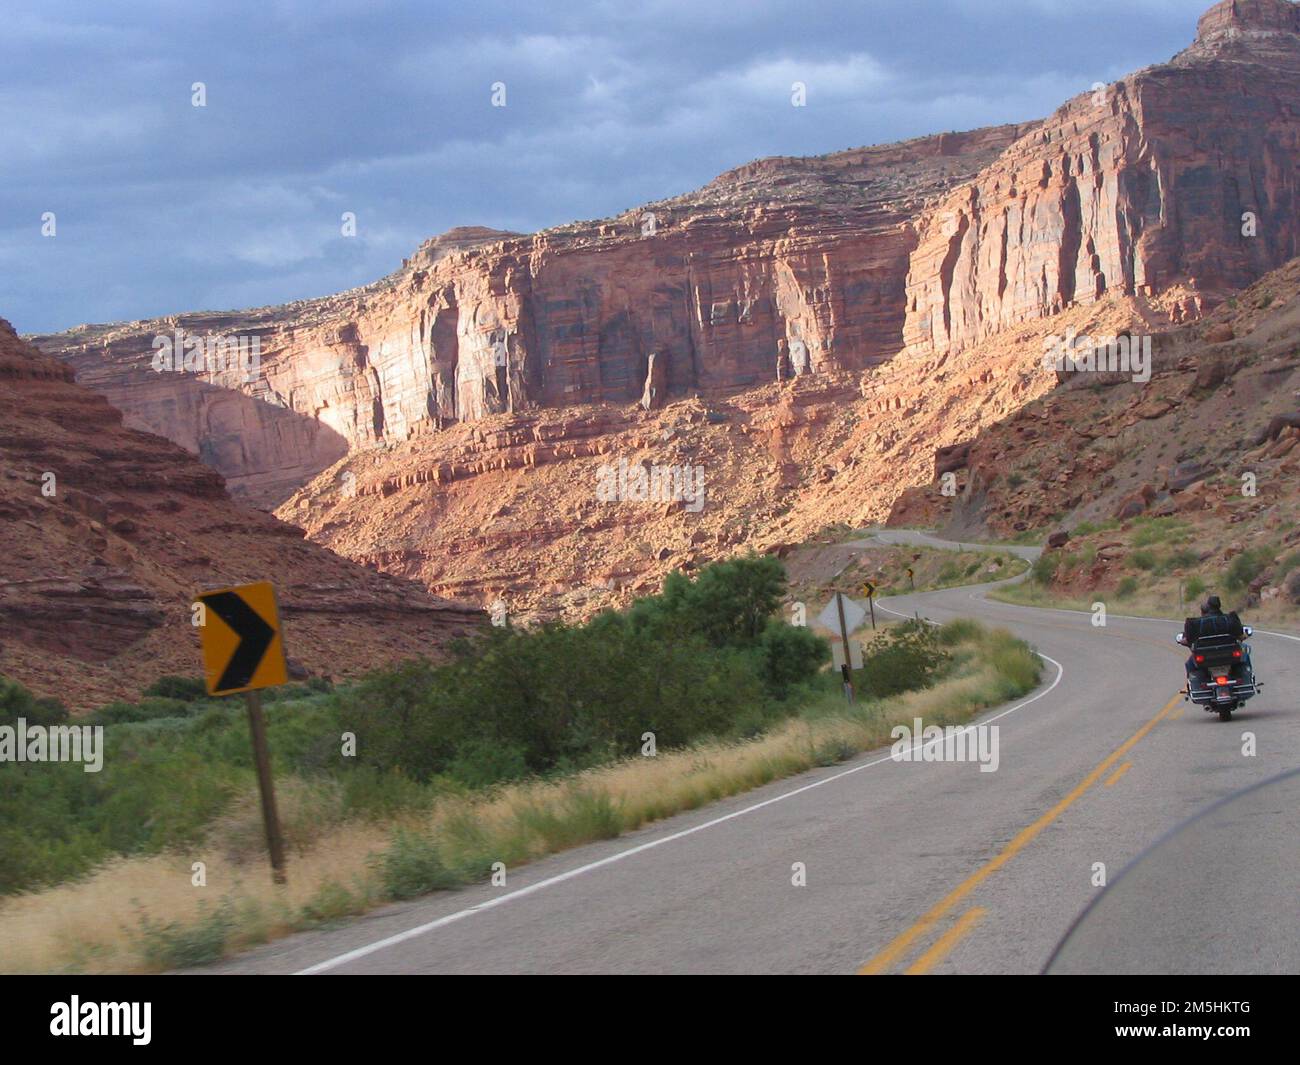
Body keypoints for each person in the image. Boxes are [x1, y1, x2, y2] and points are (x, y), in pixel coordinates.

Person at [1183, 596, 1248, 691]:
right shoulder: (1230, 619)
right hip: (1230, 655)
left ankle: (1192, 688)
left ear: (1208, 606)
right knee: (1246, 654)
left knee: (1190, 664)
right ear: (1219, 605)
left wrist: (1185, 641)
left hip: (1205, 658)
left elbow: (1189, 639)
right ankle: (1247, 679)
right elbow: (1239, 634)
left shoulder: (1195, 623)